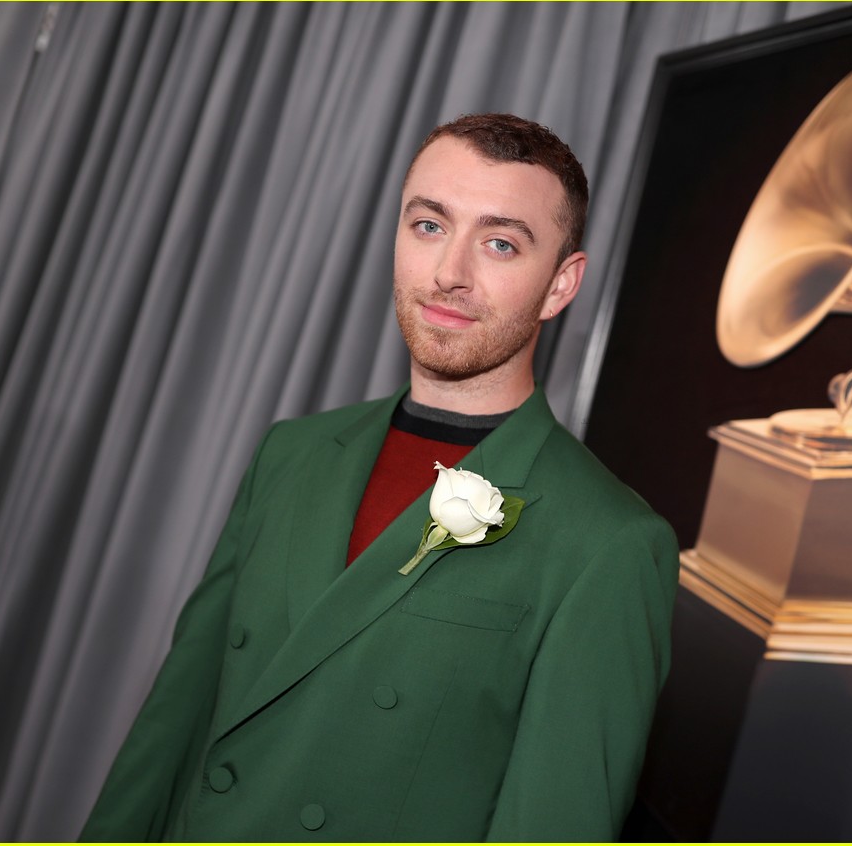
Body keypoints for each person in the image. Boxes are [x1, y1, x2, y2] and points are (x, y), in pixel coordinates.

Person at [79, 113, 680, 842]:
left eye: (499, 243)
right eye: (429, 225)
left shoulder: (610, 544)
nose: (449, 273)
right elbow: (174, 719)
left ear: (560, 285)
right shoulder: (291, 451)